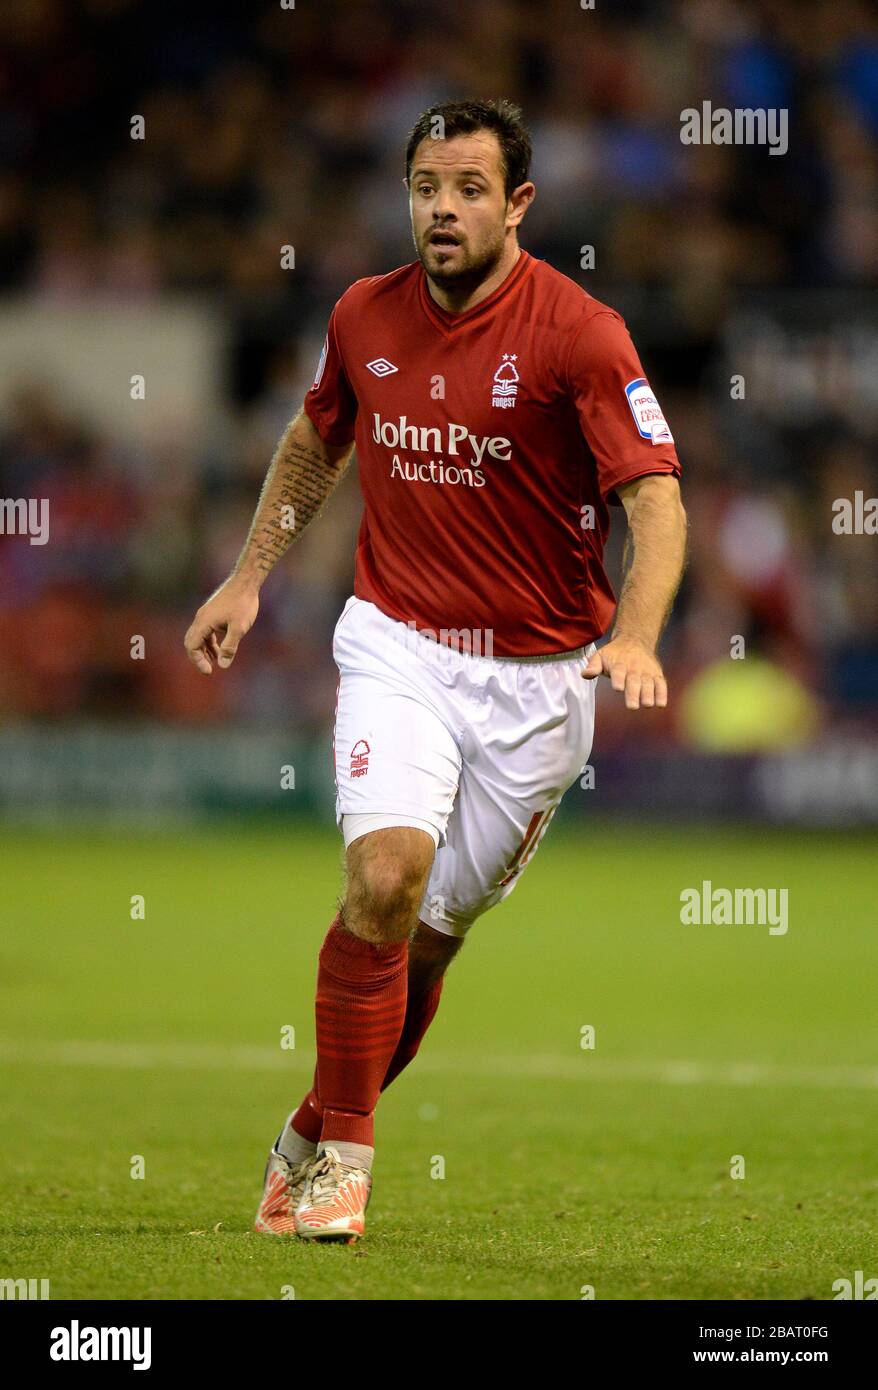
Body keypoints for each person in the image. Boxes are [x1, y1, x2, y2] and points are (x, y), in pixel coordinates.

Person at [184, 98, 688, 1243]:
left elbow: (654, 500)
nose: (442, 209)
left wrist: (638, 634)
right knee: (384, 877)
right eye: (425, 187)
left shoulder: (581, 335)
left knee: (418, 942)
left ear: (517, 204)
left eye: (468, 189)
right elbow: (317, 439)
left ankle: (311, 1126)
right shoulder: (362, 313)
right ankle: (346, 1166)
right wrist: (247, 576)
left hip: (539, 685)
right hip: (397, 643)